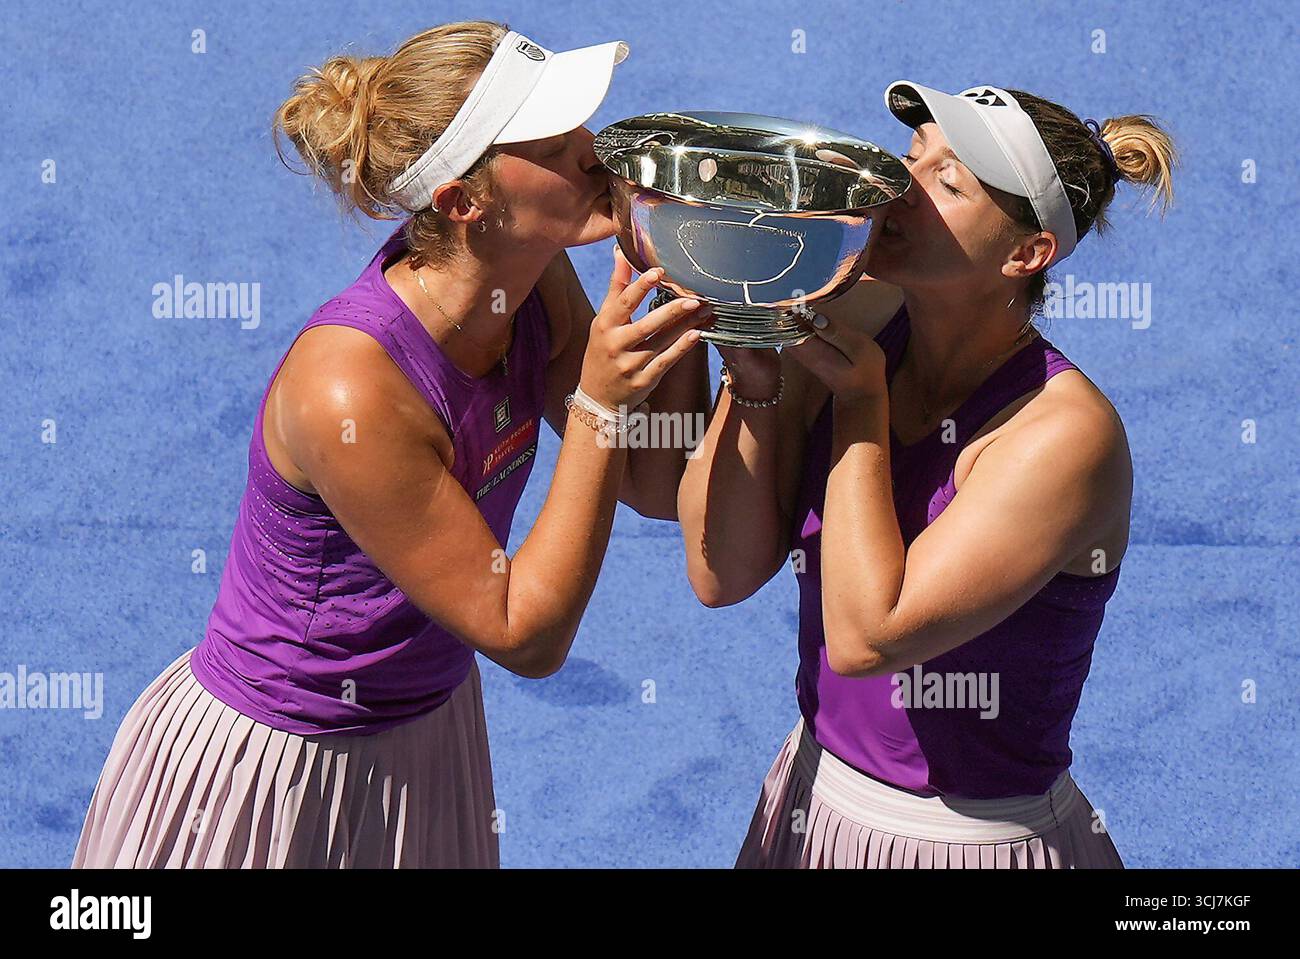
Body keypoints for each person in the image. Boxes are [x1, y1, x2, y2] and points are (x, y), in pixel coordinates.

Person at [72, 20, 710, 868]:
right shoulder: (352, 389)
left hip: (428, 740)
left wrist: (696, 284)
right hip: (277, 770)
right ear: (461, 200)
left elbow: (657, 481)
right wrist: (596, 404)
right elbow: (526, 631)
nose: (596, 153)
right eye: (556, 143)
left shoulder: (533, 284)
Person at [678, 81, 1177, 868]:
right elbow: (720, 571)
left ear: (1026, 253)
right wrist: (752, 381)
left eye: (948, 184)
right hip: (810, 797)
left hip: (967, 844)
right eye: (913, 160)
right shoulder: (854, 314)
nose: (901, 190)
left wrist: (859, 402)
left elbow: (867, 635)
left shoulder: (1064, 434)